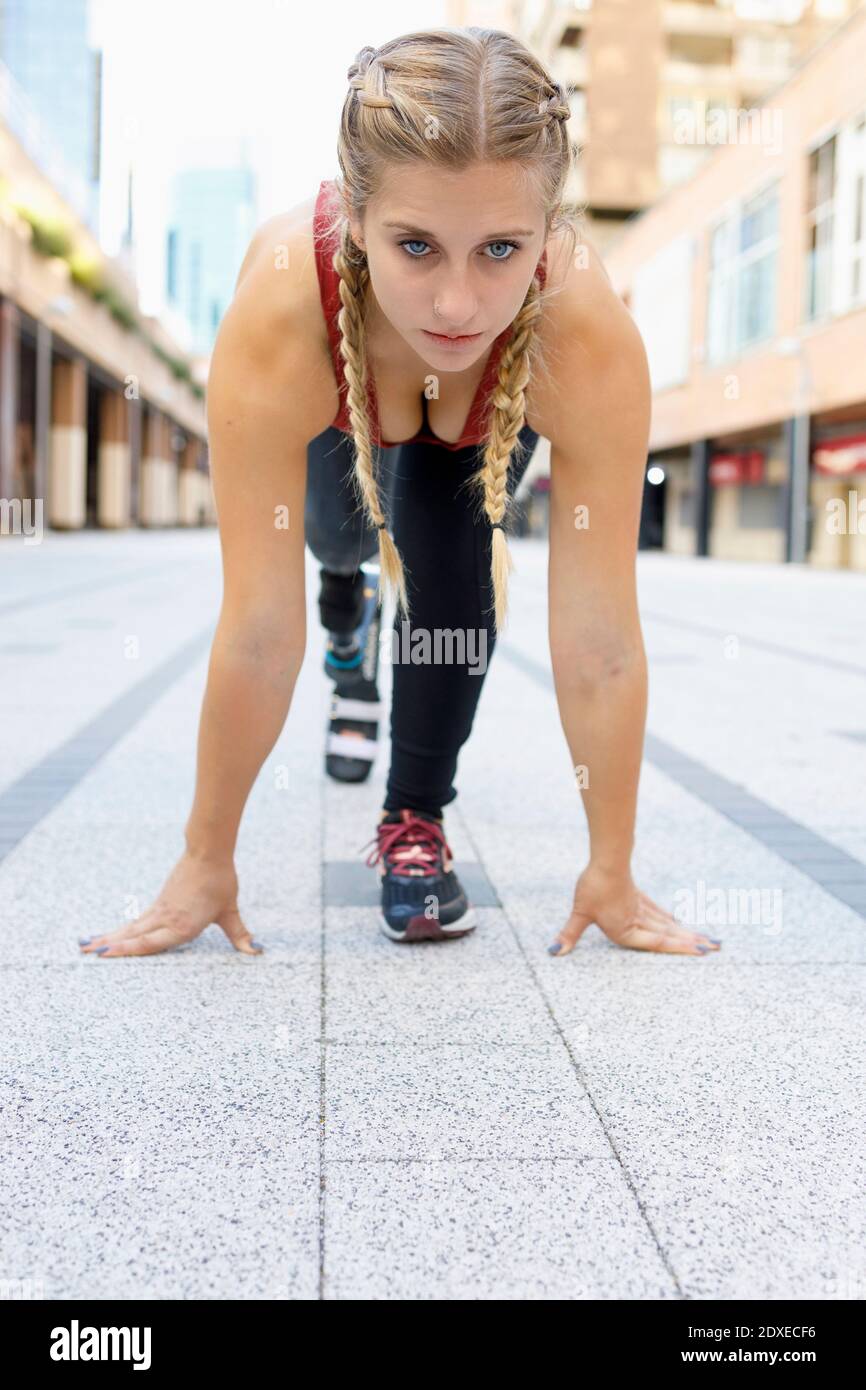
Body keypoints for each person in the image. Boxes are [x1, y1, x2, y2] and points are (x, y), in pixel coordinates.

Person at [78, 27, 721, 960]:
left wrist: (611, 869)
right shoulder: (281, 309)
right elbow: (257, 630)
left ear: (549, 230)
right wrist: (204, 858)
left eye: (501, 248)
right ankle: (348, 611)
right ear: (356, 217)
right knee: (337, 541)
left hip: (472, 426)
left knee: (449, 577)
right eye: (415, 246)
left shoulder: (585, 335)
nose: (457, 305)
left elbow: (602, 641)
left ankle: (414, 818)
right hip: (348, 406)